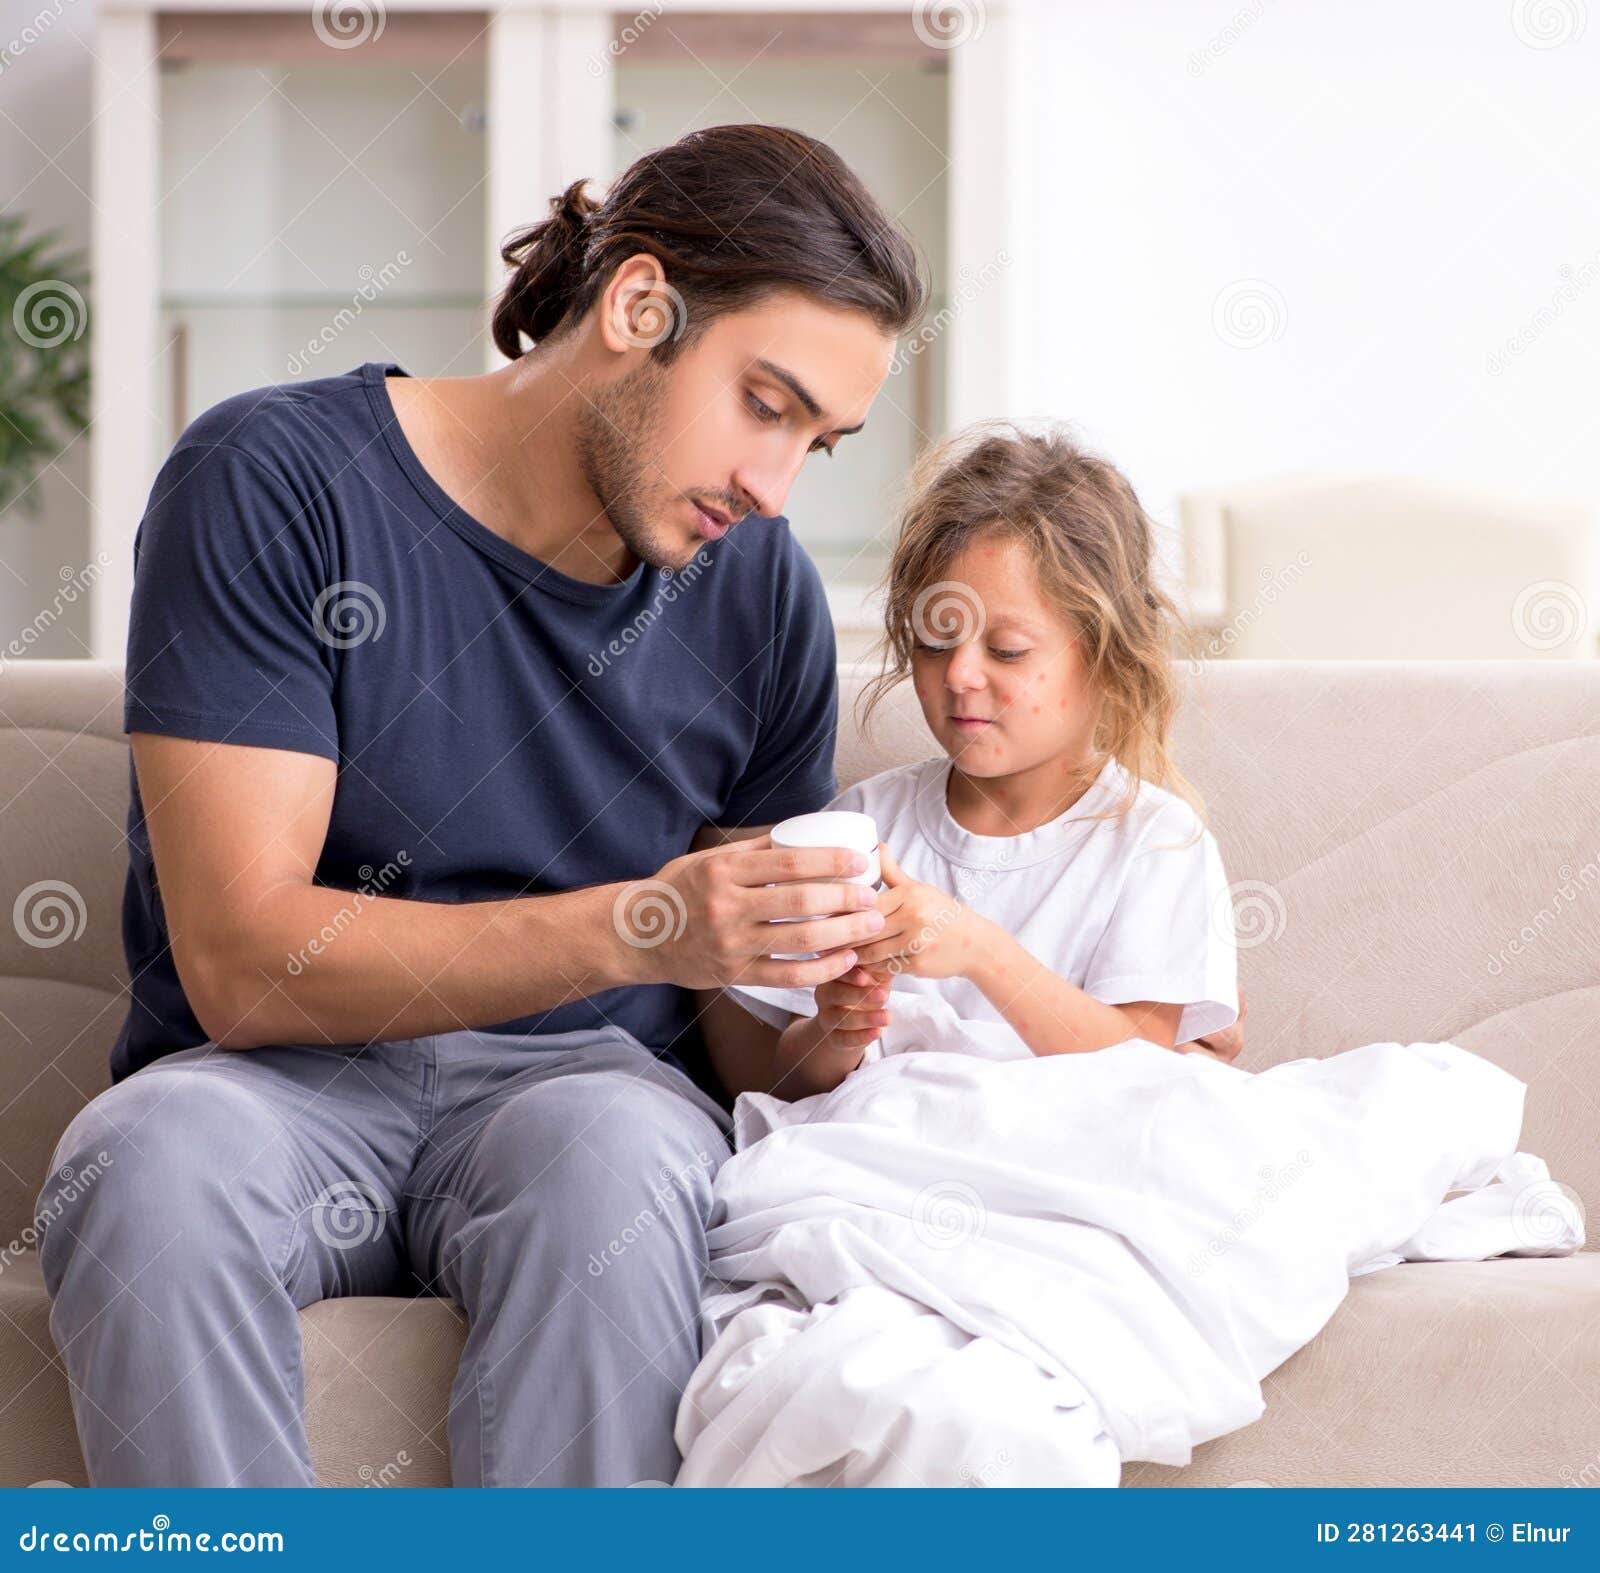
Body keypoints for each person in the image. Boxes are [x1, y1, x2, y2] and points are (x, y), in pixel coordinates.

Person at [34, 124, 927, 1488]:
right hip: (273, 1087)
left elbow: (739, 1042)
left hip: (580, 1097)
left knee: (622, 1160)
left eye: (819, 442)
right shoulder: (277, 482)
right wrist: (646, 924)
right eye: (765, 403)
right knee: (146, 1163)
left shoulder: (760, 593)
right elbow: (241, 960)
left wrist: (814, 1031)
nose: (773, 485)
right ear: (639, 305)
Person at [714, 421, 1249, 1100]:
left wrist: (981, 952)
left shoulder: (1156, 842)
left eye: (1007, 651)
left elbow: (1141, 1070)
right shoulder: (864, 825)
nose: (960, 675)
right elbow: (787, 1084)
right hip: (887, 1142)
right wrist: (834, 1034)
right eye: (936, 642)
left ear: (1108, 657)